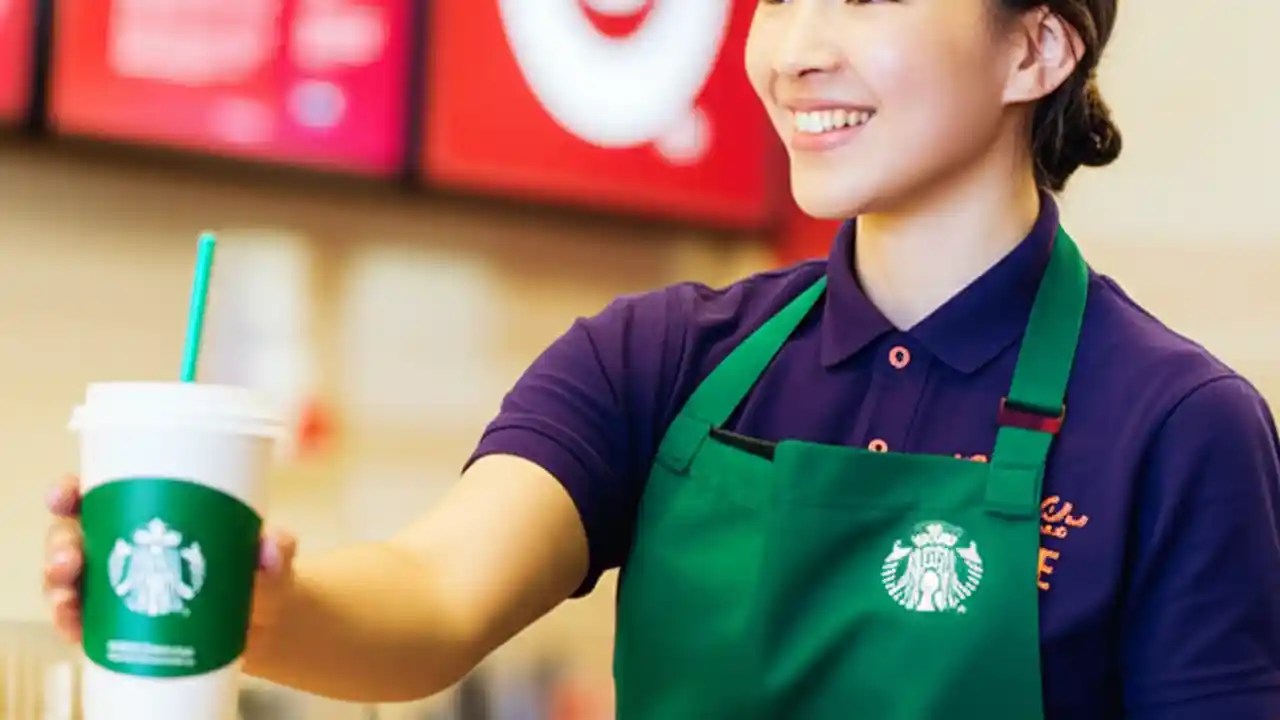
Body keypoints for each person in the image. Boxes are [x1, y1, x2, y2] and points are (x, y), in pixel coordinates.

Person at [43, 0, 1280, 717]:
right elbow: (430, 604)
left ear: (1036, 50)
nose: (794, 48)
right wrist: (264, 607)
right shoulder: (655, 359)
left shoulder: (1173, 426)